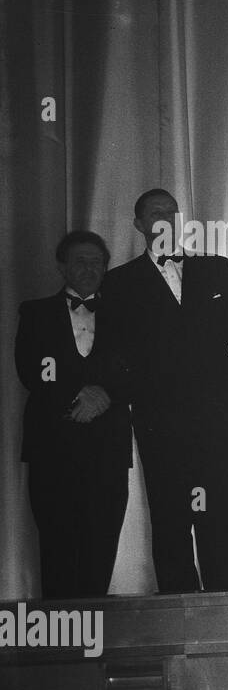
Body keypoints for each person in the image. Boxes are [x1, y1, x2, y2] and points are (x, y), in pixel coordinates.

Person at [99, 189, 228, 592]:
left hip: (215, 417)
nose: (165, 219)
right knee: (169, 513)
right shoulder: (119, 282)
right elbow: (112, 351)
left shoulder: (216, 268)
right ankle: (178, 604)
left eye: (171, 212)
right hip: (158, 422)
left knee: (218, 509)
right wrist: (142, 394)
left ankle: (223, 599)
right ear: (138, 224)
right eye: (156, 213)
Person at [14, 231, 132, 598]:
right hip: (52, 446)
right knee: (56, 543)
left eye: (97, 262)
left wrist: (106, 395)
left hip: (108, 449)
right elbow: (30, 370)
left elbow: (141, 371)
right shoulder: (34, 313)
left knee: (102, 544)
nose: (89, 269)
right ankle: (62, 632)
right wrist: (77, 395)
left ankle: (95, 630)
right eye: (80, 261)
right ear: (62, 267)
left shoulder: (128, 314)